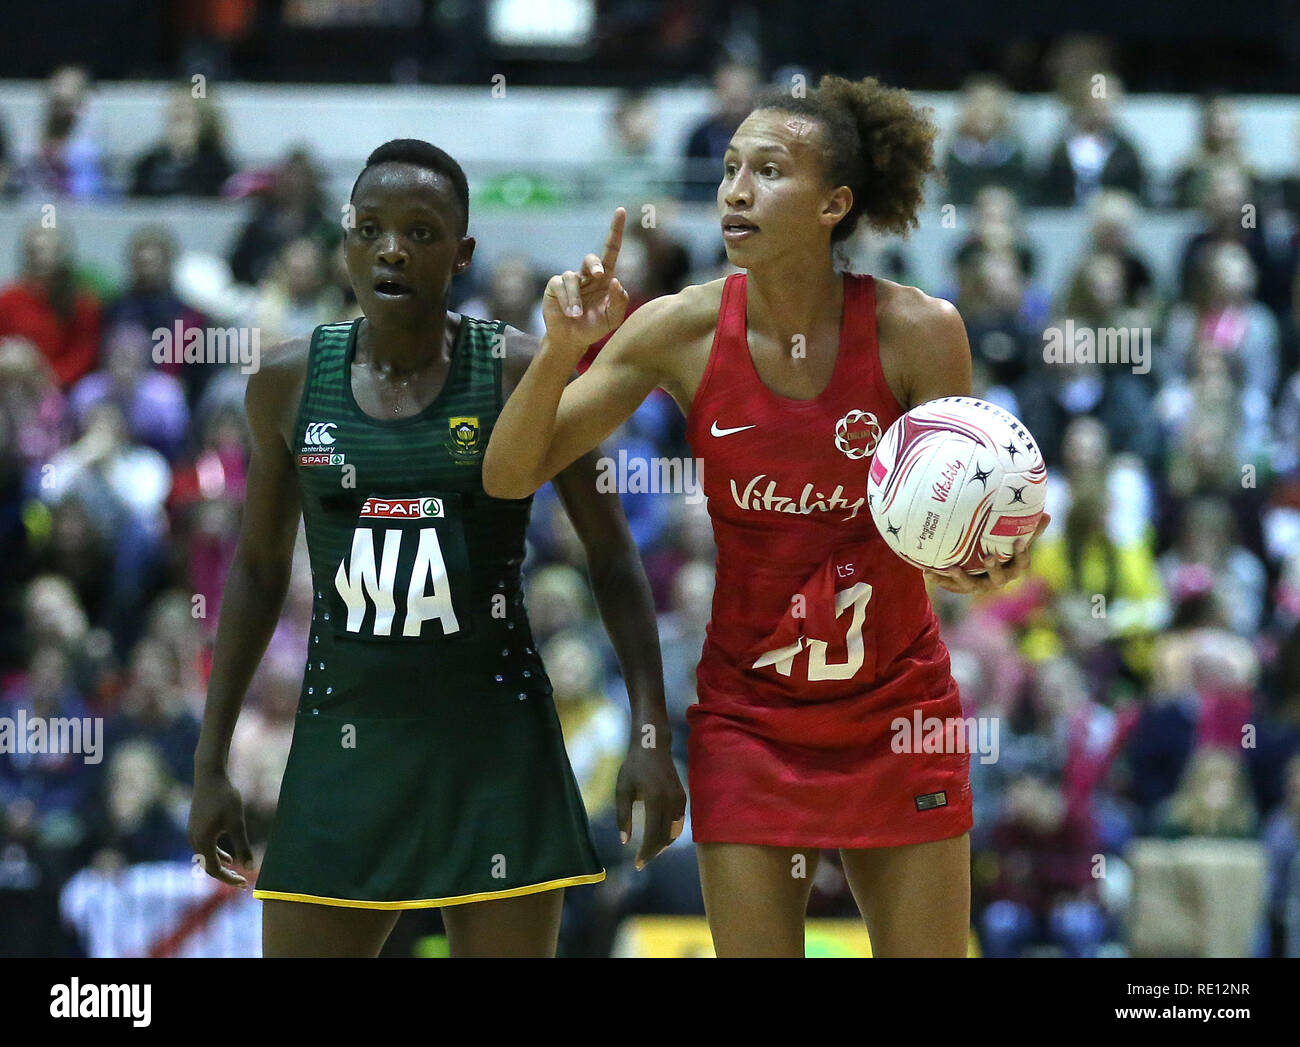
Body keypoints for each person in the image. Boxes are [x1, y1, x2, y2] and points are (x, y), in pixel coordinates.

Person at [484, 75, 1050, 957]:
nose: (736, 191)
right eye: (730, 169)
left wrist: (994, 559)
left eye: (770, 171)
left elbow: (959, 542)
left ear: (835, 203)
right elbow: (511, 472)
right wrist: (559, 350)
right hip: (750, 721)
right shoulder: (676, 327)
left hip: (898, 711)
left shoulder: (920, 332)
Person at [188, 139, 684, 958]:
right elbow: (257, 569)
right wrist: (210, 766)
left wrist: (649, 734)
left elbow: (614, 558)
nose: (392, 248)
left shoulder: (523, 367)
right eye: (371, 228)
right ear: (345, 241)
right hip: (345, 742)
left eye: (421, 232)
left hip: (494, 746)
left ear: (461, 255)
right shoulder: (282, 381)